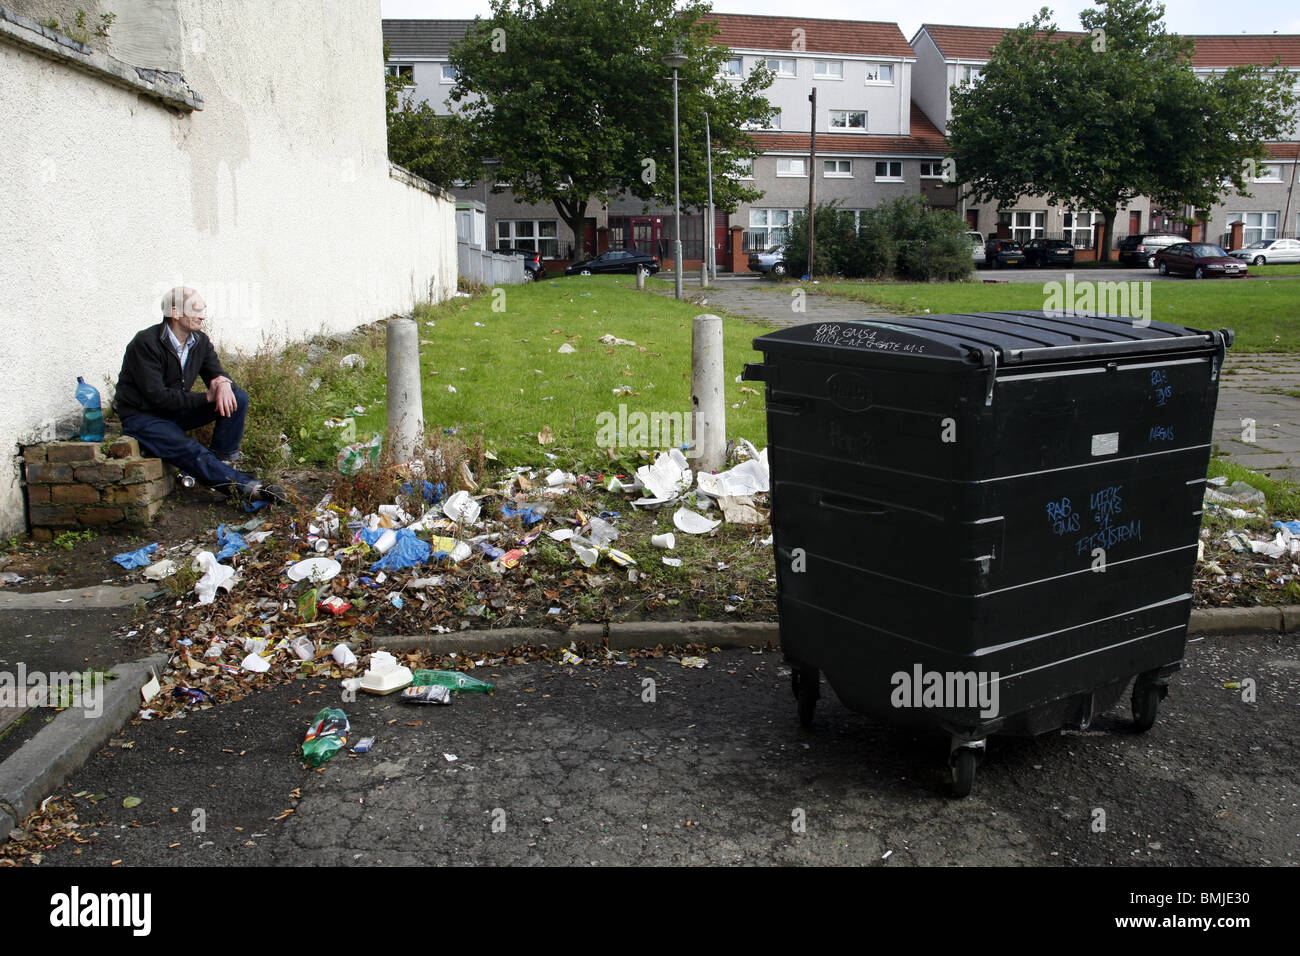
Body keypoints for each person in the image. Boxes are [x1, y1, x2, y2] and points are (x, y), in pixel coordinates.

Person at [114, 286, 287, 505]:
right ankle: (249, 488)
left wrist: (223, 382)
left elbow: (216, 372)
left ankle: (223, 462)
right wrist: (206, 398)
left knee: (237, 397)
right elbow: (157, 397)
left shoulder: (200, 341)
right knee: (191, 450)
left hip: (174, 412)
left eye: (203, 309)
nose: (203, 315)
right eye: (196, 309)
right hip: (144, 417)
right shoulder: (146, 342)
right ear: (175, 313)